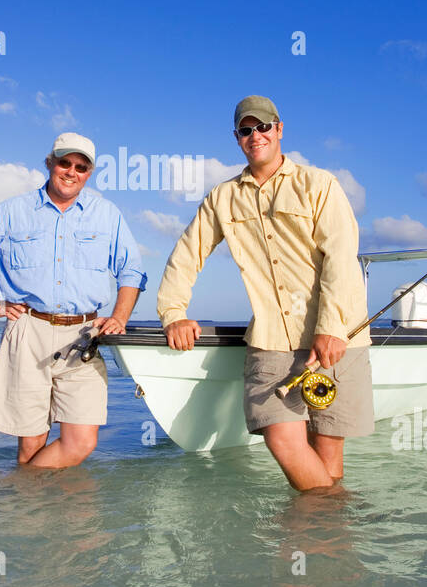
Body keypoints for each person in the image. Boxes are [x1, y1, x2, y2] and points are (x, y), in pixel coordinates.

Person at [157, 96, 373, 491]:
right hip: (271, 337)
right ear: (237, 138)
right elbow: (187, 254)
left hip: (340, 333)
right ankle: (335, 522)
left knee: (328, 449)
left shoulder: (321, 184)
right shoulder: (221, 197)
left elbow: (341, 257)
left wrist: (330, 327)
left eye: (263, 127)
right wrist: (173, 312)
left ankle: (321, 540)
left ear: (279, 129)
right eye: (245, 129)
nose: (255, 135)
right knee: (282, 438)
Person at [0, 132, 146, 468]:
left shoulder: (107, 214)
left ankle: (18, 492)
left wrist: (120, 316)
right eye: (64, 163)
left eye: (81, 167)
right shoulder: (12, 211)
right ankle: (32, 515)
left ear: (89, 173)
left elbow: (131, 271)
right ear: (50, 163)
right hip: (28, 331)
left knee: (81, 442)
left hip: (85, 336)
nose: (71, 171)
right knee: (31, 442)